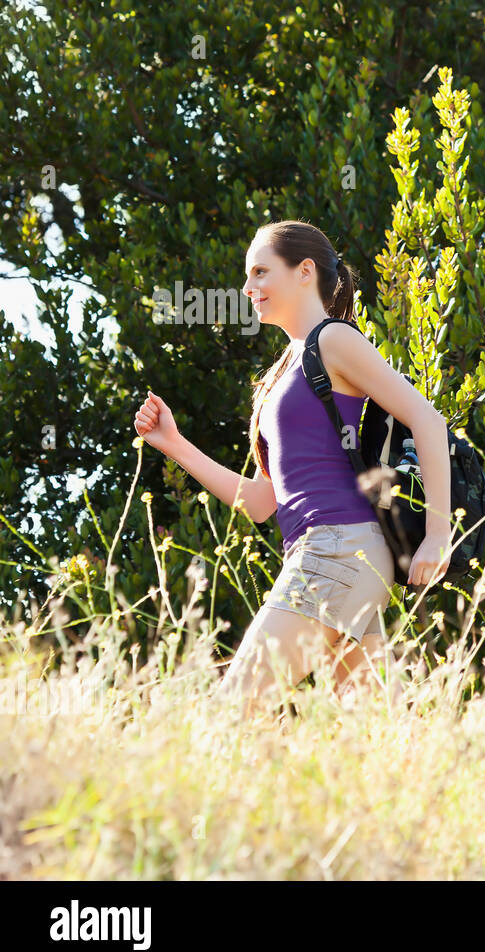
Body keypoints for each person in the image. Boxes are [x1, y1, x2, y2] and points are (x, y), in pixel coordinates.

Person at [132, 220, 454, 719]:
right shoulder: (282, 370)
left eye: (261, 271)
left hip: (337, 550)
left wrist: (438, 535)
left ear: (305, 271)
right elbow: (263, 503)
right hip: (331, 557)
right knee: (375, 750)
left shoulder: (333, 341)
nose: (248, 287)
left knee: (231, 712)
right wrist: (173, 445)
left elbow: (428, 422)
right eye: (247, 276)